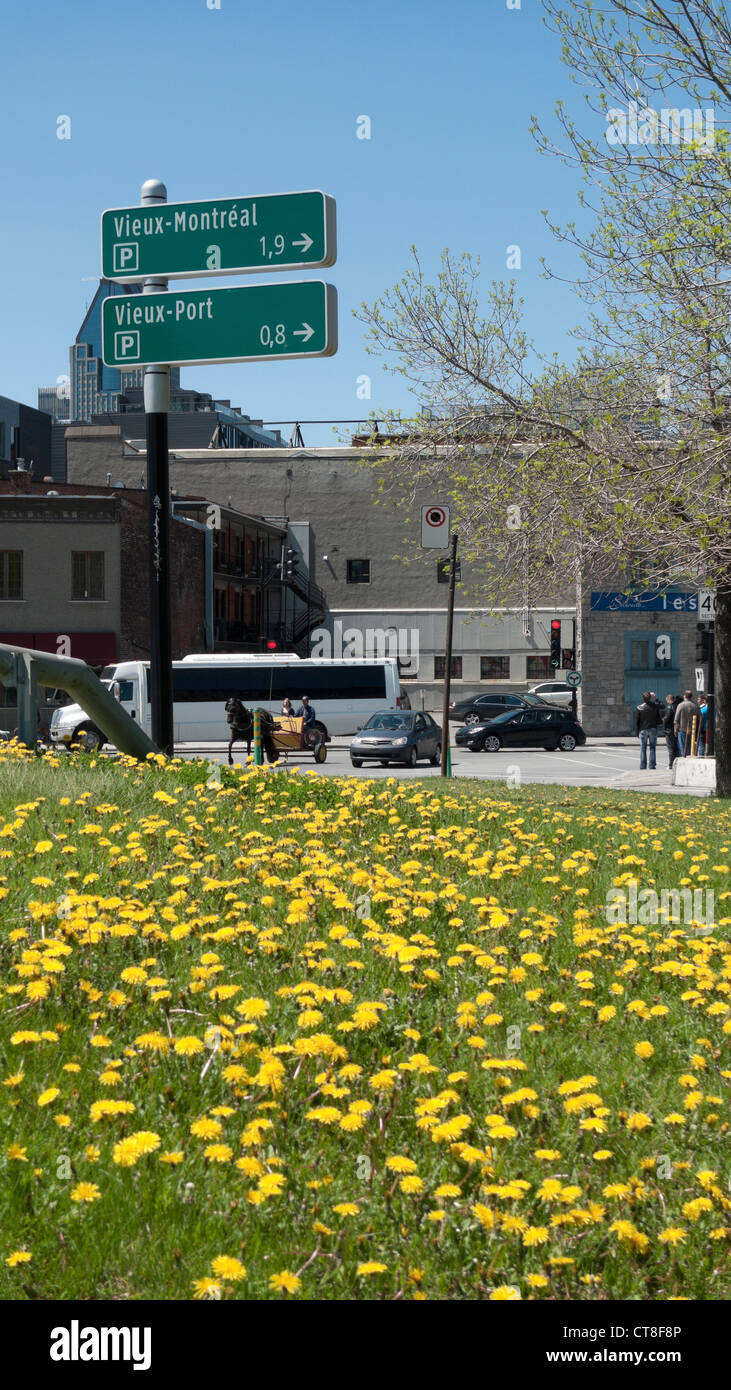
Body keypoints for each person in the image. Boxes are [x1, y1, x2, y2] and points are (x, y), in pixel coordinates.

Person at [635, 690, 660, 770]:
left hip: (643, 729)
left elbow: (637, 721)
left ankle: (643, 765)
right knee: (652, 748)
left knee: (643, 748)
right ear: (650, 698)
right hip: (653, 728)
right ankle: (652, 765)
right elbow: (662, 706)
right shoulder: (654, 706)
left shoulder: (639, 707)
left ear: (643, 699)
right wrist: (656, 698)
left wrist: (637, 732)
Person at [674, 689, 698, 757]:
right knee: (690, 748)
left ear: (684, 696)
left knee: (682, 748)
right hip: (692, 730)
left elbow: (676, 719)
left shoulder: (681, 705)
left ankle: (684, 758)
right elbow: (700, 717)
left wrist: (675, 729)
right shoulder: (695, 706)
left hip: (682, 729)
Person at [663, 694, 680, 768]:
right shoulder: (678, 706)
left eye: (667, 700)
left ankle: (671, 764)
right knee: (676, 747)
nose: (666, 702)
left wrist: (663, 720)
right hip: (677, 729)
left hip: (669, 730)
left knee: (670, 748)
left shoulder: (670, 707)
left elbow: (667, 718)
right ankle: (676, 762)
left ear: (669, 700)